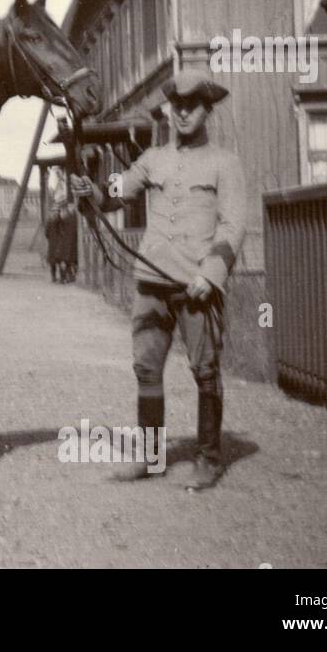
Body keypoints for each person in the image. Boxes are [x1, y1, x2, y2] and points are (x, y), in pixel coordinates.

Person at [70, 70, 247, 490]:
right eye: (177, 105)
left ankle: (208, 458)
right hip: (151, 283)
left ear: (207, 109)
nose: (183, 113)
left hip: (195, 287)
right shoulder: (153, 159)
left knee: (205, 371)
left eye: (192, 106)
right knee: (146, 370)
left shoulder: (225, 163)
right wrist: (90, 192)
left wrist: (212, 274)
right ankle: (151, 459)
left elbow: (234, 225)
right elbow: (117, 192)